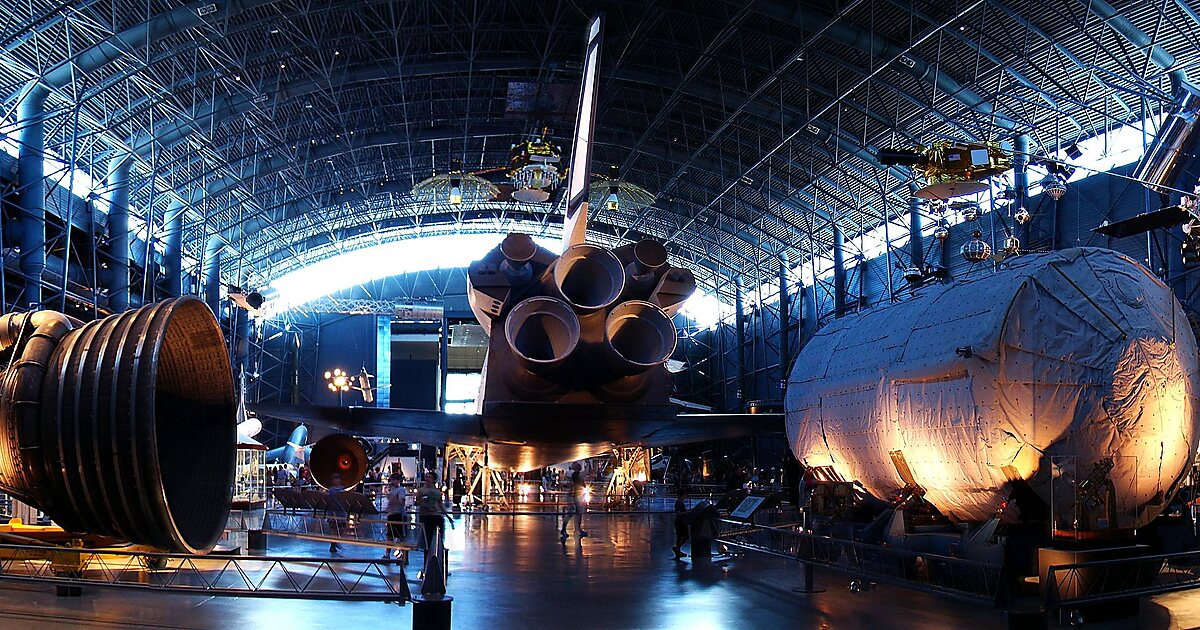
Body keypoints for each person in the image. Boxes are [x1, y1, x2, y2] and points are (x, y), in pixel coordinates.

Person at [416, 472, 454, 553]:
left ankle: (438, 550)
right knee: (427, 538)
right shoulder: (421, 490)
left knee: (439, 535)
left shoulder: (437, 492)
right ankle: (427, 553)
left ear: (433, 479)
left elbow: (440, 504)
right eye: (426, 477)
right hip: (425, 516)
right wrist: (421, 501)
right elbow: (416, 503)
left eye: (429, 477)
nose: (427, 479)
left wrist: (447, 516)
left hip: (436, 515)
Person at [560, 462, 588, 543]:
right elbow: (586, 472)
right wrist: (588, 463)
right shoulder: (576, 474)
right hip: (576, 497)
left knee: (576, 513)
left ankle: (576, 529)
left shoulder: (574, 475)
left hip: (575, 496)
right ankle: (569, 529)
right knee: (573, 513)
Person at [384, 474, 408, 559]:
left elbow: (402, 502)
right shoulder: (391, 490)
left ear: (398, 481)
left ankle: (402, 555)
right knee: (389, 535)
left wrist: (396, 500)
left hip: (398, 514)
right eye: (391, 480)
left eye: (394, 480)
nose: (392, 482)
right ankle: (387, 554)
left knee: (400, 535)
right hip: (391, 514)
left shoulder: (401, 490)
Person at [326, 473, 346, 553]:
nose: (338, 480)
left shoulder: (342, 489)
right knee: (334, 528)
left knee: (341, 528)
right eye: (336, 479)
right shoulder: (331, 491)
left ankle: (335, 542)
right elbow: (330, 501)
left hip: (341, 511)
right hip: (333, 511)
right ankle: (333, 545)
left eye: (338, 479)